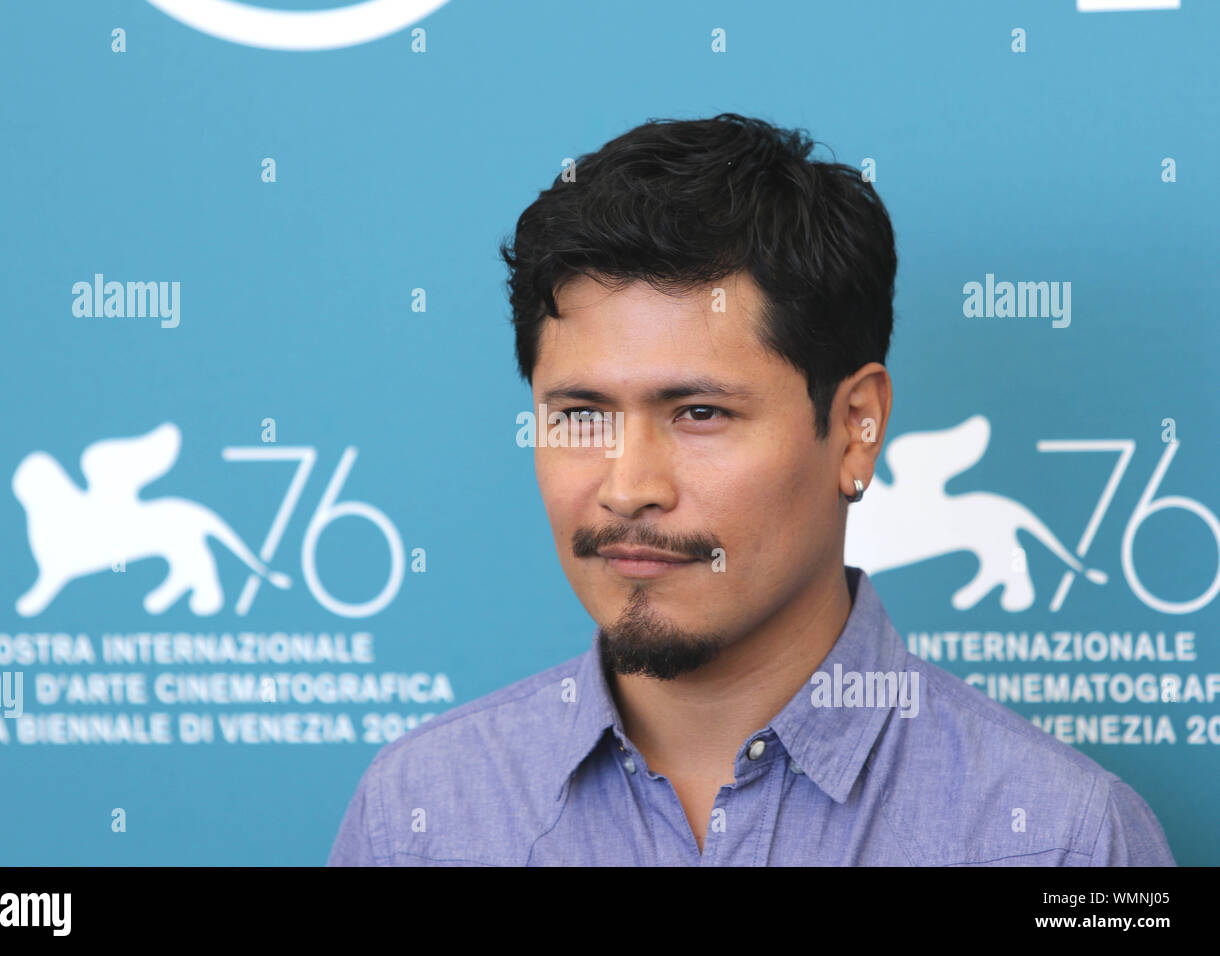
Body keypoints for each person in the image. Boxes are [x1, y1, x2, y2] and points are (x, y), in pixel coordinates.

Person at [327, 113, 1175, 866]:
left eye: (698, 412)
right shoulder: (417, 821)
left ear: (855, 428)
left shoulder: (1065, 843)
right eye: (582, 413)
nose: (628, 487)